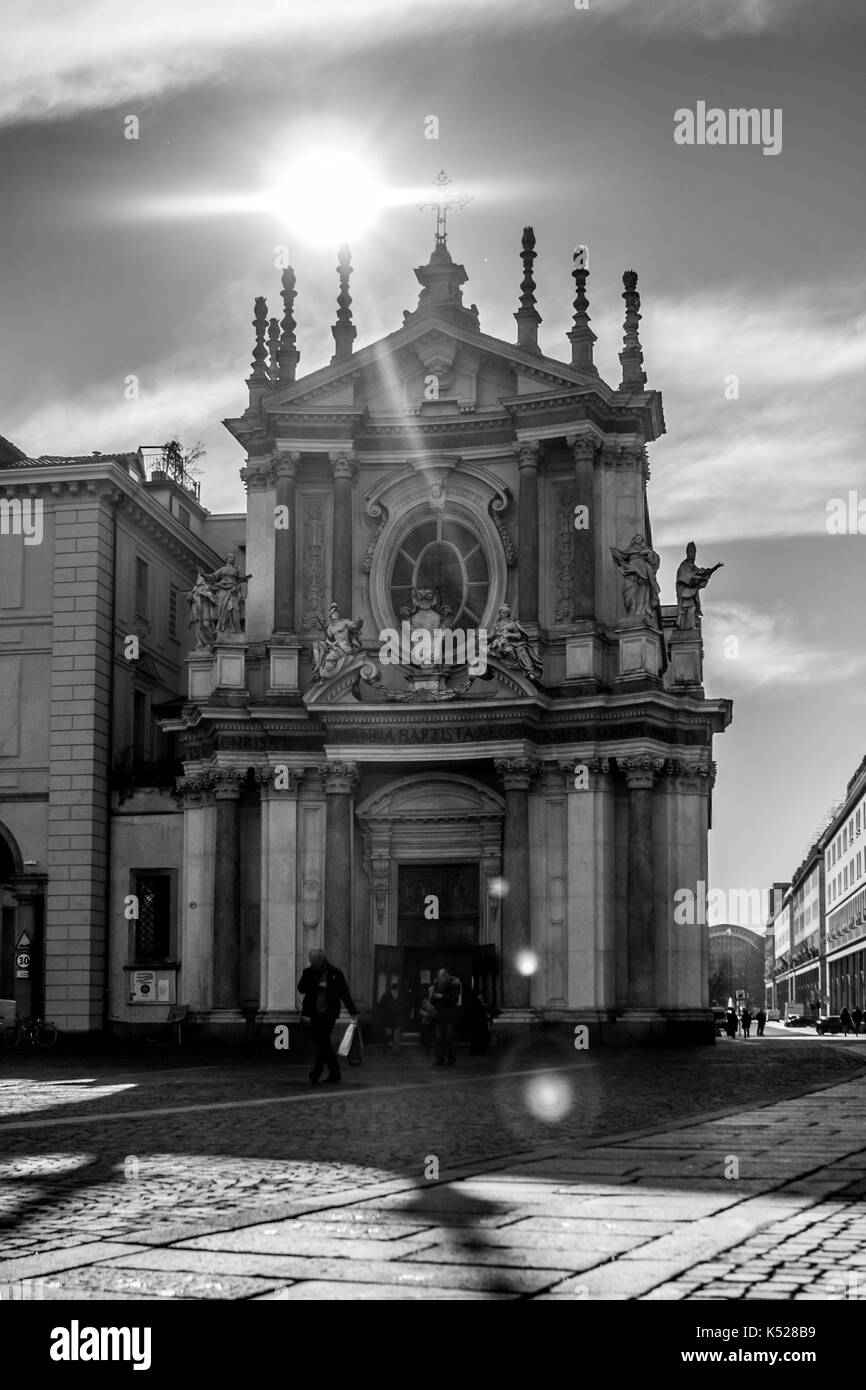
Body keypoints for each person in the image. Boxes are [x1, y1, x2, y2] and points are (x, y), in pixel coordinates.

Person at [297, 948, 359, 1085]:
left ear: (321, 959)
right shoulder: (308, 972)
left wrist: (352, 1011)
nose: (313, 964)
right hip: (315, 1013)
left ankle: (316, 1073)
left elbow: (344, 993)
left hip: (329, 1014)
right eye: (311, 961)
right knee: (323, 1043)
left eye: (314, 961)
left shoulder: (335, 973)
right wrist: (317, 984)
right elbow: (301, 988)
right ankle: (335, 1072)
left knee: (323, 1042)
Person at [430, 967, 460, 1067]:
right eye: (439, 976)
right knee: (438, 1038)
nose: (440, 978)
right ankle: (440, 1059)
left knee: (449, 1038)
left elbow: (454, 1000)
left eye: (441, 976)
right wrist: (432, 996)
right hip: (439, 1015)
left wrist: (441, 996)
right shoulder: (436, 984)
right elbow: (433, 1002)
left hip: (449, 1015)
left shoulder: (454, 983)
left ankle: (451, 1059)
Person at [379, 976, 407, 1055]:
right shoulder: (387, 995)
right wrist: (391, 1009)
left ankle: (395, 1049)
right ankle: (386, 1046)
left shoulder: (399, 996)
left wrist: (397, 1009)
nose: (394, 991)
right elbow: (382, 1005)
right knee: (389, 1034)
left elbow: (404, 1006)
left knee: (395, 1035)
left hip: (396, 1018)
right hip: (389, 1017)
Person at [469, 989, 497, 1055]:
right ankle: (479, 1050)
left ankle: (479, 1050)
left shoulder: (479, 1002)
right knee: (479, 1037)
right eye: (479, 995)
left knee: (480, 1037)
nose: (481, 996)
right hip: (479, 1023)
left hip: (480, 1022)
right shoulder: (475, 1003)